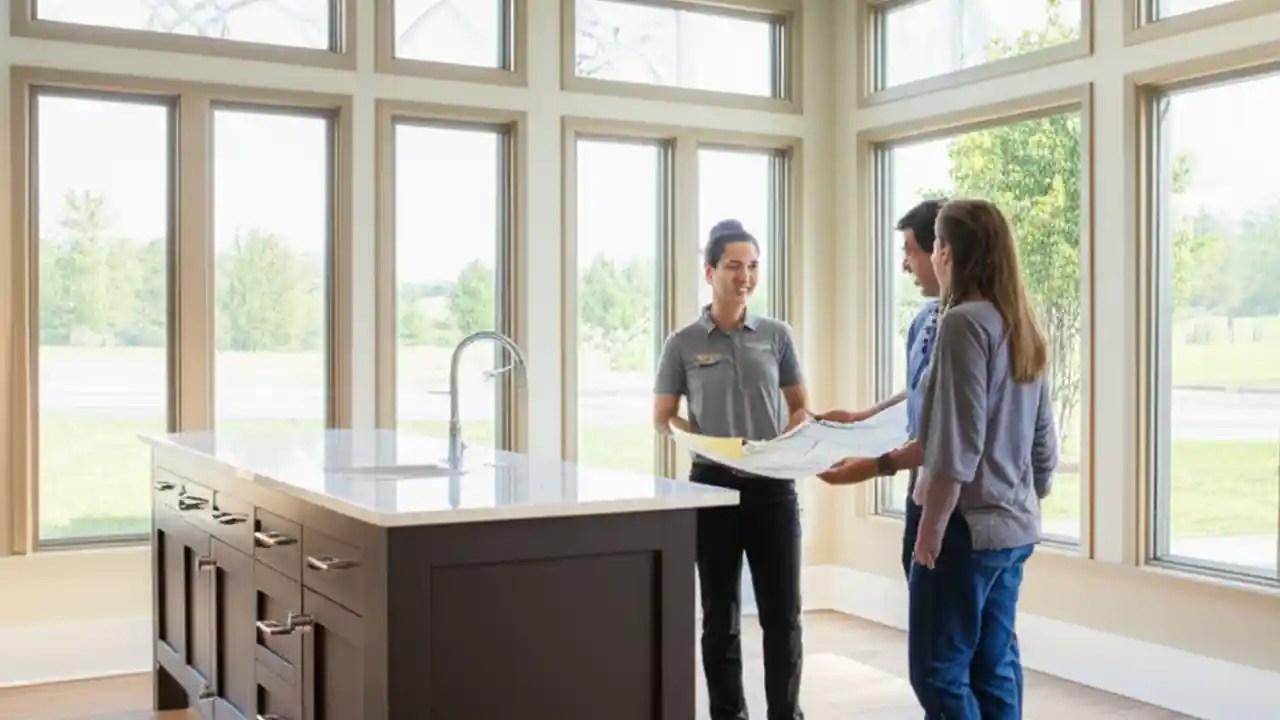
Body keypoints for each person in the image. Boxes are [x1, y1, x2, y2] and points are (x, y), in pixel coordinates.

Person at [654, 219, 809, 720]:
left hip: (774, 488)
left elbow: (800, 407)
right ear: (710, 271)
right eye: (733, 266)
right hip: (713, 490)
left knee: (782, 616)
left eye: (752, 267)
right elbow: (663, 419)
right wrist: (699, 440)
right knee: (720, 617)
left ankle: (786, 714)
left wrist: (786, 441)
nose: (745, 276)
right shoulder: (681, 344)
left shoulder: (776, 336)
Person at [908, 198, 1056, 718]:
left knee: (937, 671)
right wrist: (1022, 496)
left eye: (936, 246)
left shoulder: (962, 324)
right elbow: (1044, 444)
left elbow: (957, 443)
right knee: (992, 667)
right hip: (1014, 529)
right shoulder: (1022, 324)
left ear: (948, 252)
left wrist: (930, 528)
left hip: (965, 531)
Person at [812, 199, 944, 577]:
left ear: (941, 251)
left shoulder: (966, 329)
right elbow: (922, 391)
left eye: (910, 251)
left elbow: (948, 430)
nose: (905, 264)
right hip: (926, 490)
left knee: (945, 629)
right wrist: (861, 418)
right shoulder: (926, 320)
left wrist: (876, 466)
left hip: (959, 509)